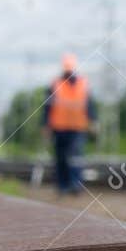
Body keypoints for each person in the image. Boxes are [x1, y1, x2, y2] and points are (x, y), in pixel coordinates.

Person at [41, 53, 91, 195]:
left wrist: (93, 120)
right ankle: (63, 186)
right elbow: (48, 106)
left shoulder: (83, 83)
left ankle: (75, 184)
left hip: (77, 127)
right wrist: (45, 124)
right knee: (61, 157)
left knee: (76, 157)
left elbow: (89, 104)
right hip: (59, 127)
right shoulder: (55, 84)